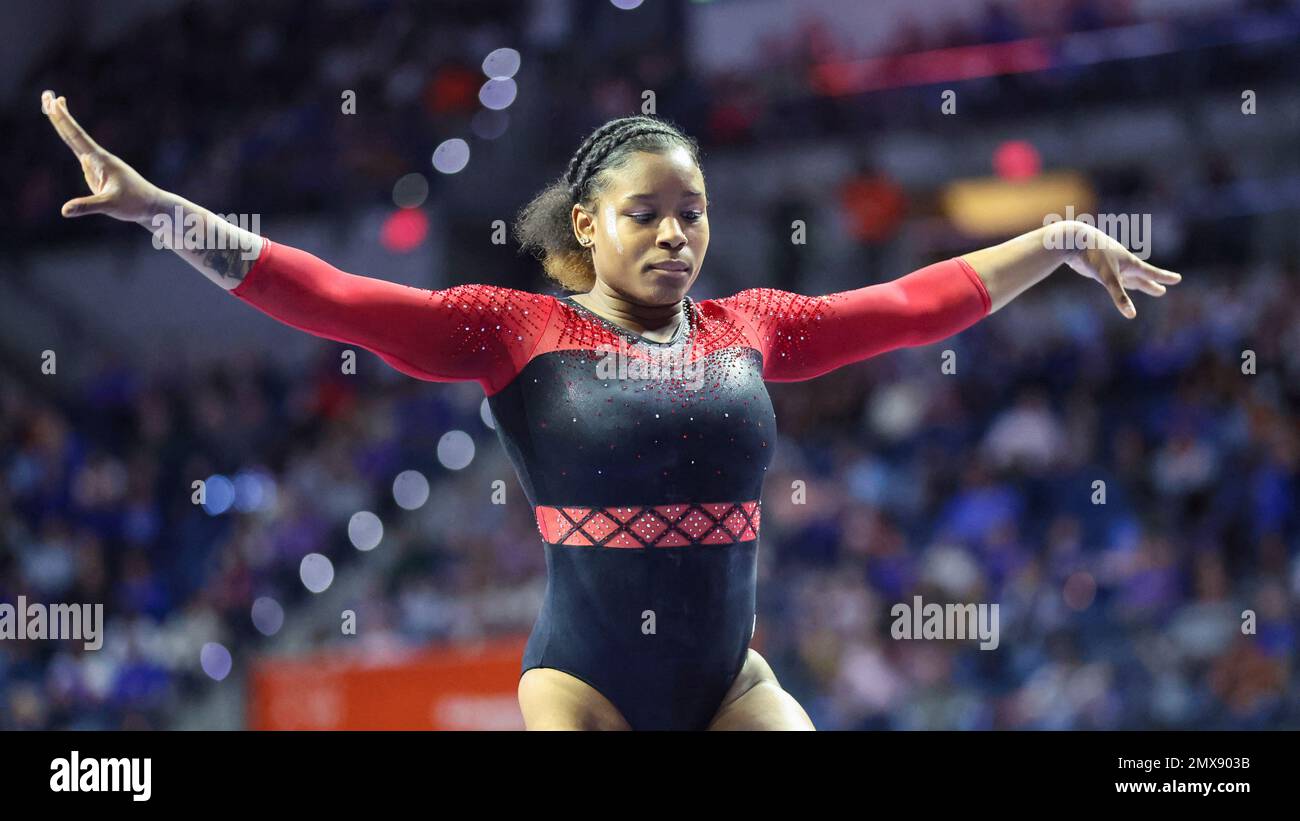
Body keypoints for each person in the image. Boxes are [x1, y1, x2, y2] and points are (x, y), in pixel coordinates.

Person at [41, 91, 1181, 730]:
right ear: (585, 225)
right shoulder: (512, 329)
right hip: (583, 686)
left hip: (731, 680)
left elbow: (909, 305)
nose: (677, 234)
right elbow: (330, 294)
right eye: (647, 214)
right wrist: (161, 215)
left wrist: (1058, 239)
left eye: (692, 212)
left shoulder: (751, 326)